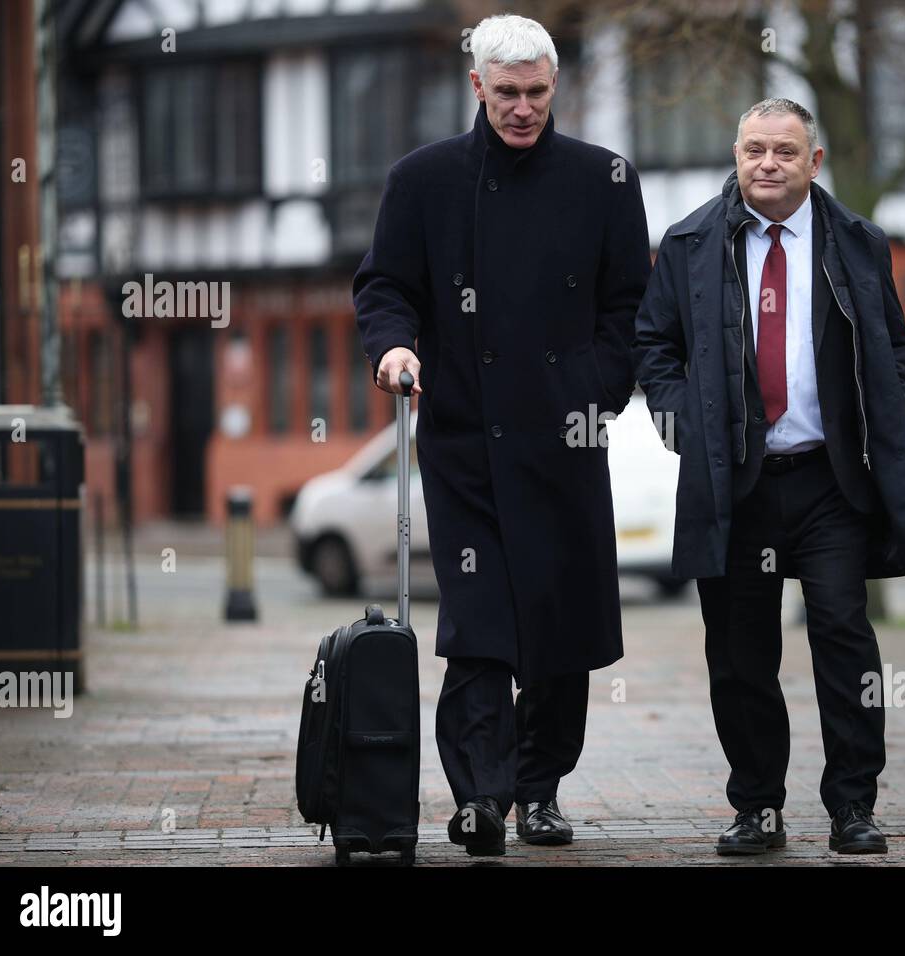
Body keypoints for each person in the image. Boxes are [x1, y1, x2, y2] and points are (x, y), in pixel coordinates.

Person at [353, 14, 651, 857]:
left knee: (558, 623)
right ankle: (481, 796)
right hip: (464, 439)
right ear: (476, 86)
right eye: (507, 92)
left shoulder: (605, 179)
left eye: (537, 92)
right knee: (480, 624)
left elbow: (630, 305)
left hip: (567, 433)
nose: (523, 108)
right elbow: (383, 285)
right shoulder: (424, 181)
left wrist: (595, 388)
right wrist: (396, 345)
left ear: (556, 88)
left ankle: (540, 788)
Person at [634, 97, 905, 856]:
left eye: (785, 152)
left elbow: (900, 347)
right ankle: (758, 807)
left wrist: (882, 416)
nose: (768, 163)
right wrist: (689, 427)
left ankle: (853, 808)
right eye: (755, 149)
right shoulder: (692, 242)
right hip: (737, 485)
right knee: (739, 651)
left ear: (814, 162)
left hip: (829, 483)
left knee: (842, 635)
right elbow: (654, 349)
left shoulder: (858, 242)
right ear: (736, 155)